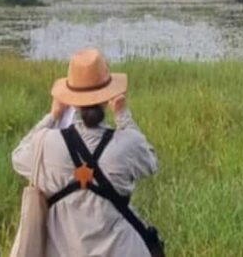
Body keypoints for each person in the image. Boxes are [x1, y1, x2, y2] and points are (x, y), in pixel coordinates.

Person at [12, 48, 159, 257]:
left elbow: (18, 157)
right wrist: (123, 116)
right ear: (107, 97)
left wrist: (53, 116)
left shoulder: (46, 143)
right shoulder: (127, 144)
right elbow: (151, 161)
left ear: (72, 101)